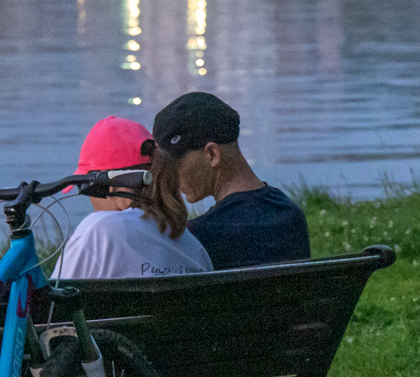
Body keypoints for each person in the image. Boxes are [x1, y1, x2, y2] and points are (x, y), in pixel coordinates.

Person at [148, 91, 310, 269]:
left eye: (174, 166)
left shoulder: (197, 237)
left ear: (212, 154)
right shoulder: (292, 216)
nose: (171, 178)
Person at [53, 115, 210, 280]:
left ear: (113, 185)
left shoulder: (100, 231)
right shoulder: (194, 248)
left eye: (86, 188)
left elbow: (53, 302)